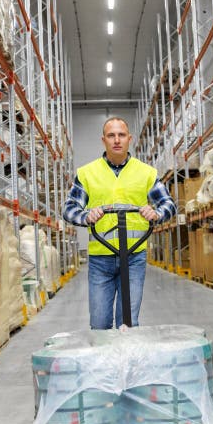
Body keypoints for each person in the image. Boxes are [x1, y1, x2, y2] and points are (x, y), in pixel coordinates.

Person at [63, 117, 176, 329]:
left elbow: (169, 204)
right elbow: (69, 209)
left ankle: (126, 362)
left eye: (121, 135)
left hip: (134, 257)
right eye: (111, 135)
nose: (117, 140)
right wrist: (86, 216)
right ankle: (103, 361)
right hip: (100, 259)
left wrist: (157, 213)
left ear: (129, 139)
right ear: (103, 140)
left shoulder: (146, 173)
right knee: (99, 324)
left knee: (128, 323)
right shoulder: (87, 173)